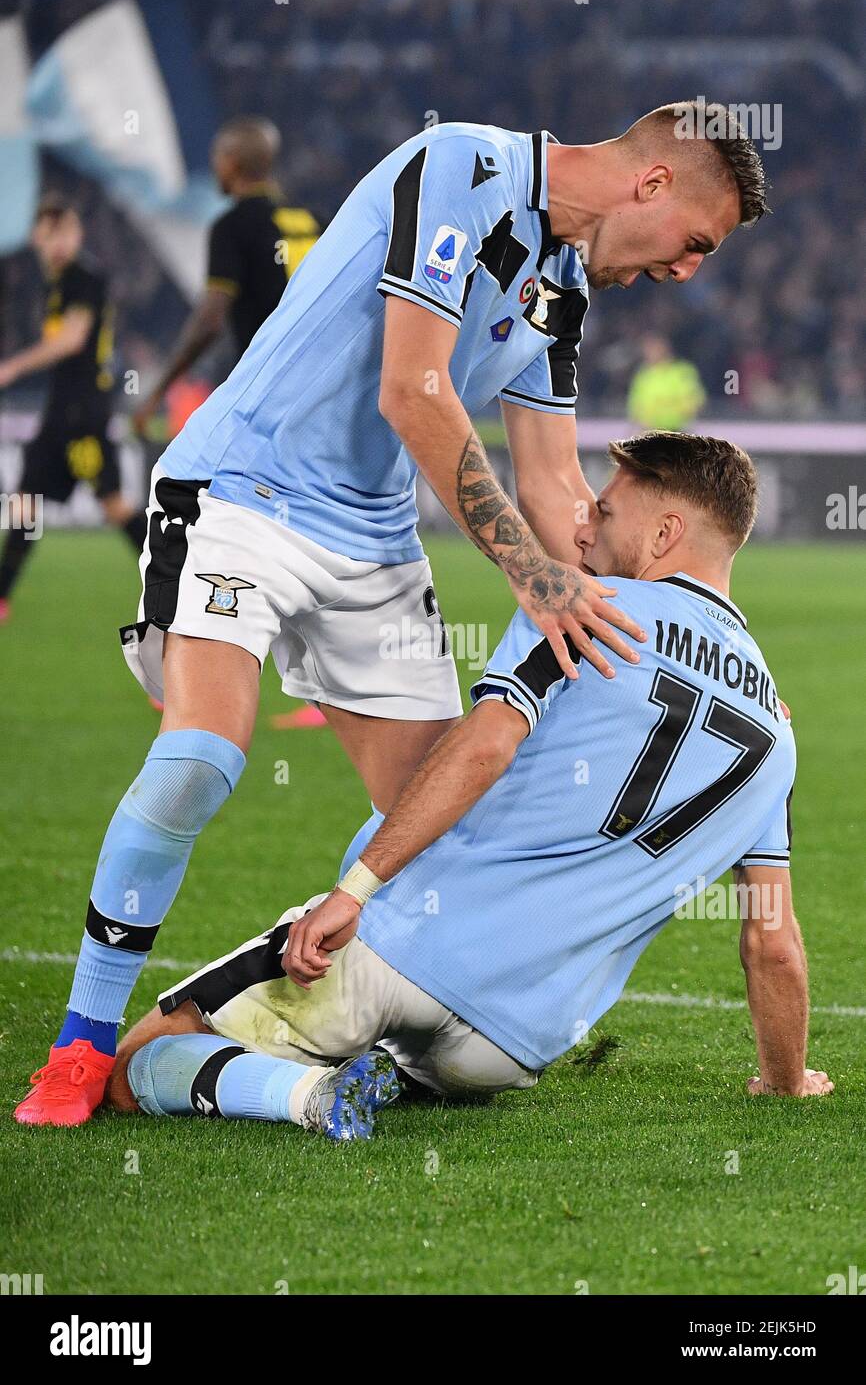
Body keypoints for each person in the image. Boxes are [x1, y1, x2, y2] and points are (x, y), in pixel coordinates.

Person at [15, 101, 768, 1127]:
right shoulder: (459, 165)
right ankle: (81, 1043)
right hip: (244, 492)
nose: (685, 272)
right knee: (203, 755)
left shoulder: (563, 290)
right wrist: (533, 579)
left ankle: (382, 1026)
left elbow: (552, 485)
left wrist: (652, 613)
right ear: (650, 184)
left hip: (371, 540)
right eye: (693, 243)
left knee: (431, 811)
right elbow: (411, 392)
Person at [102, 432, 831, 1142]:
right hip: (506, 1049)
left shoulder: (590, 608)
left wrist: (352, 890)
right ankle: (361, 1071)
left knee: (134, 1070)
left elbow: (484, 747)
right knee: (388, 1047)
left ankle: (305, 1094)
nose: (584, 527)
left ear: (667, 530)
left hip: (396, 949)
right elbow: (773, 941)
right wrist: (786, 1078)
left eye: (606, 512)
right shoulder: (777, 737)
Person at [0, 195, 145, 620]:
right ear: (37, 238)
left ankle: (173, 574)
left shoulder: (84, 277)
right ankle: (3, 595)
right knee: (24, 501)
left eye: (66, 232)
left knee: (115, 504)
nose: (58, 243)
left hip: (85, 410)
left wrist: (12, 366)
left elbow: (72, 340)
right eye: (50, 235)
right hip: (59, 410)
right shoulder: (57, 284)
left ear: (78, 234)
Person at [132, 116, 319, 433]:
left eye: (217, 158)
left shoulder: (231, 227)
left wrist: (159, 390)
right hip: (319, 387)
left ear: (231, 163)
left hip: (266, 392)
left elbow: (210, 320)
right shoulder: (314, 221)